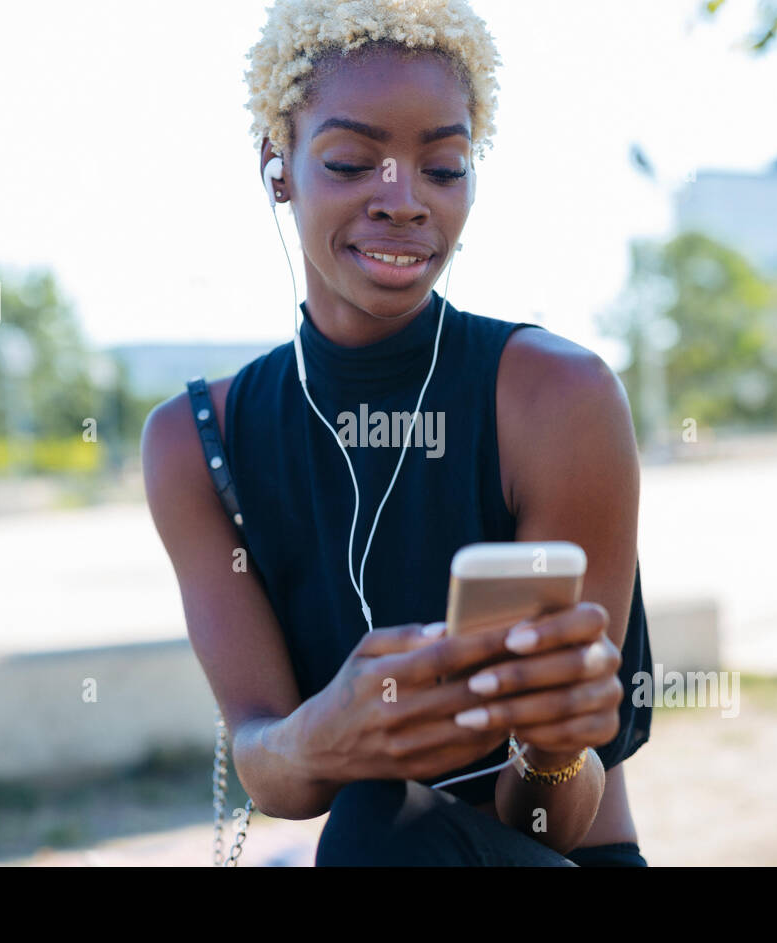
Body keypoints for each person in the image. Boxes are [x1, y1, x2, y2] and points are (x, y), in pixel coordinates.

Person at [142, 0, 652, 866]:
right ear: (278, 167)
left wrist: (557, 750)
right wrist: (319, 735)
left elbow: (553, 821)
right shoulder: (196, 444)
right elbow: (270, 771)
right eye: (350, 161)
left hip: (555, 857)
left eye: (444, 168)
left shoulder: (558, 397)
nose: (403, 202)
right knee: (373, 820)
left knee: (376, 829)